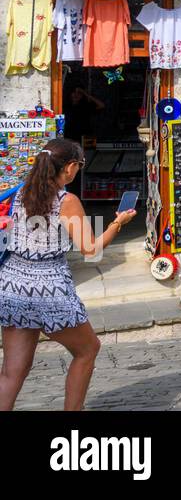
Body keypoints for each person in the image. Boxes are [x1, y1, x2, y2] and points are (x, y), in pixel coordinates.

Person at [0, 139, 135, 410]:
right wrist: (118, 223)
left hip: (12, 285)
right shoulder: (66, 200)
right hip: (50, 291)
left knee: (12, 372)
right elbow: (90, 249)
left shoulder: (19, 193)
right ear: (70, 167)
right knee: (87, 350)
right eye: (80, 165)